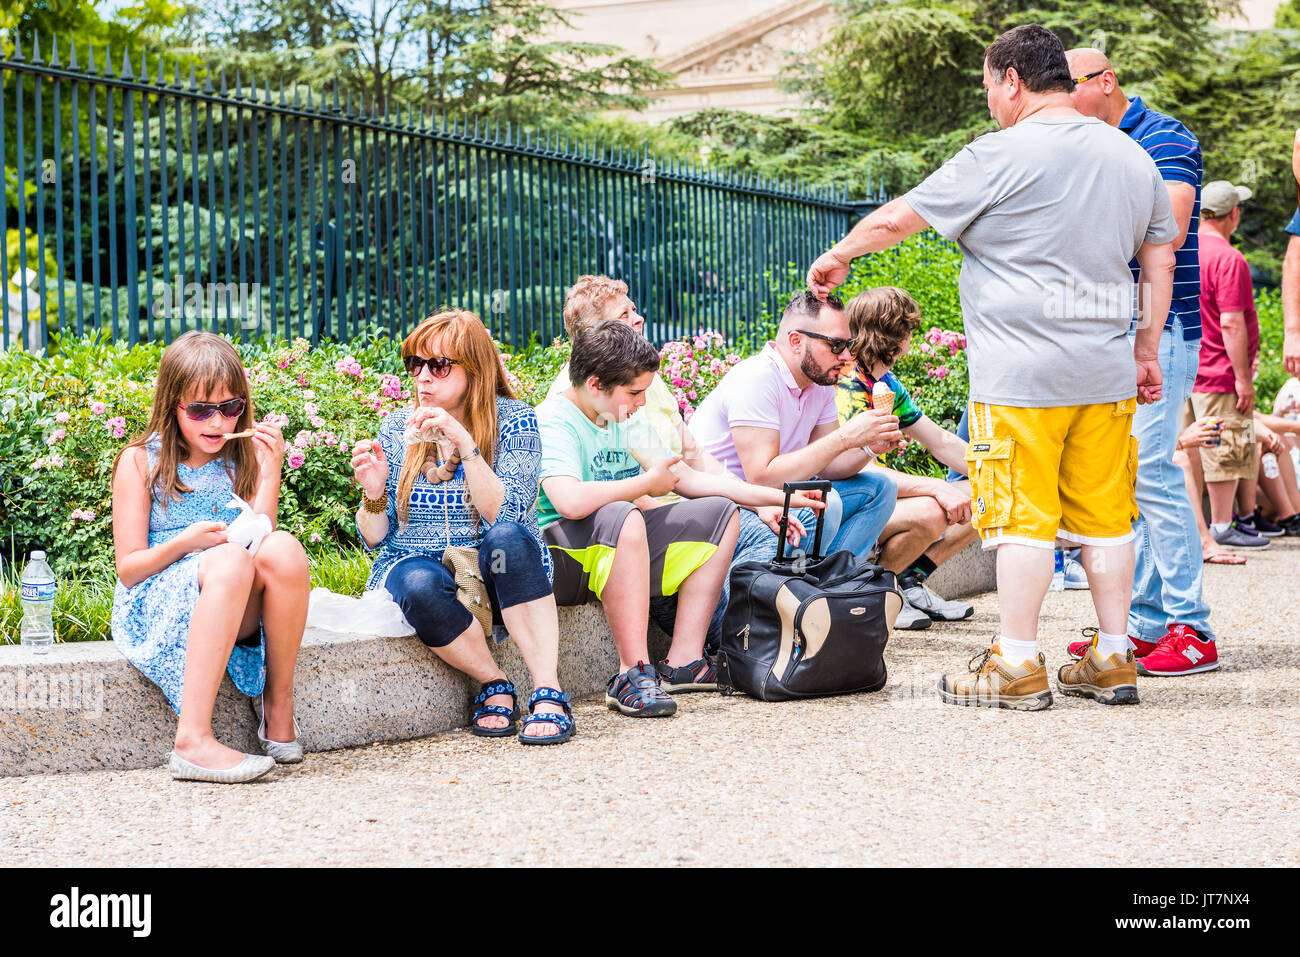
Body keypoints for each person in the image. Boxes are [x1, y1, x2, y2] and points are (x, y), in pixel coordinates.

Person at [807, 24, 1179, 710]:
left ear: (1013, 80)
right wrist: (1146, 348)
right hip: (1104, 376)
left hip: (1020, 380)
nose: (988, 103)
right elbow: (1159, 257)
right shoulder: (1132, 159)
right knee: (1107, 520)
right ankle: (1114, 655)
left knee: (1019, 521)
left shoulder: (999, 154)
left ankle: (1015, 662)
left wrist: (842, 254)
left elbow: (899, 220)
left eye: (988, 87)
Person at [537, 320, 822, 716]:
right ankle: (631, 673)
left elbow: (685, 478)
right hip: (564, 558)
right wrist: (644, 483)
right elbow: (567, 502)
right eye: (635, 392)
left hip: (620, 545)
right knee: (626, 514)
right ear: (597, 383)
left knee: (720, 514)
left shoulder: (621, 414)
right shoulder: (554, 418)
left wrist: (774, 500)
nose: (640, 402)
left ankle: (684, 661)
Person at [1065, 46, 1220, 676]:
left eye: (1066, 84)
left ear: (1105, 82)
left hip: (1161, 327)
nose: (1057, 97)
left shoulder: (1163, 137)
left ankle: (1191, 627)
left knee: (1153, 472)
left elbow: (1174, 230)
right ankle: (1149, 623)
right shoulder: (1087, 143)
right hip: (1111, 325)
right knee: (1132, 476)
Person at [351, 310, 574, 745]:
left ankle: (548, 690)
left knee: (508, 540)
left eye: (438, 365)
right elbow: (375, 536)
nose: (423, 378)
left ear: (474, 369)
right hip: (416, 557)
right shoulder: (398, 427)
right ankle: (494, 682)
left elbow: (507, 516)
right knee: (414, 581)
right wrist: (374, 491)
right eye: (415, 364)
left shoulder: (515, 420)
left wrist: (465, 443)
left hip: (495, 563)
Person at [111, 331, 308, 783]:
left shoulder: (239, 461)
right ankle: (192, 740)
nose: (217, 422)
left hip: (230, 592)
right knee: (231, 561)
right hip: (158, 598)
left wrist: (271, 467)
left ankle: (278, 708)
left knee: (284, 549)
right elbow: (129, 568)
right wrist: (187, 542)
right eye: (201, 410)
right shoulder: (141, 462)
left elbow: (260, 535)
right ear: (172, 405)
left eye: (230, 407)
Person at [689, 290, 900, 573]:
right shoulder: (758, 378)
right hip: (726, 505)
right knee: (825, 503)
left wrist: (869, 447)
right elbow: (761, 478)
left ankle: (830, 587)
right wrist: (845, 437)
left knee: (880, 489)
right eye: (836, 345)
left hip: (772, 498)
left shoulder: (819, 384)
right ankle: (795, 594)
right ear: (796, 341)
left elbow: (830, 466)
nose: (848, 356)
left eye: (848, 344)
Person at [836, 287, 978, 627]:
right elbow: (862, 471)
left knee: (991, 493)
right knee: (932, 510)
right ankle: (879, 592)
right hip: (852, 505)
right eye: (908, 329)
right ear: (893, 333)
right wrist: (935, 487)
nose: (911, 336)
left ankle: (909, 582)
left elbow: (940, 441)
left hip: (879, 498)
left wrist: (998, 472)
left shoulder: (885, 382)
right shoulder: (845, 384)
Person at [1191, 180, 1269, 556]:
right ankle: (1222, 525)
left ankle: (1198, 528)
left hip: (1186, 368)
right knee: (1223, 445)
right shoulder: (1229, 258)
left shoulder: (1184, 247)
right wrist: (1243, 379)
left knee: (1189, 449)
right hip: (1219, 369)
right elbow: (1232, 322)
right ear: (1233, 214)